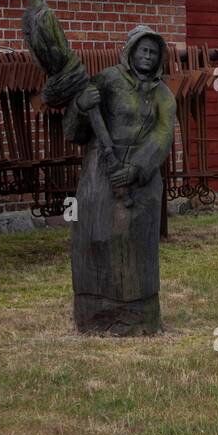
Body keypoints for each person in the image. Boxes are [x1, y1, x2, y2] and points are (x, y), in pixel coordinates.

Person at [62, 25, 176, 335]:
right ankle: (93, 314)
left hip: (141, 182)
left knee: (135, 245)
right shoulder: (107, 81)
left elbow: (163, 135)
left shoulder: (163, 95)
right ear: (130, 51)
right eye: (143, 50)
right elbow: (75, 132)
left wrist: (137, 168)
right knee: (94, 237)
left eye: (154, 53)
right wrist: (80, 107)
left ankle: (137, 317)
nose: (148, 57)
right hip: (99, 173)